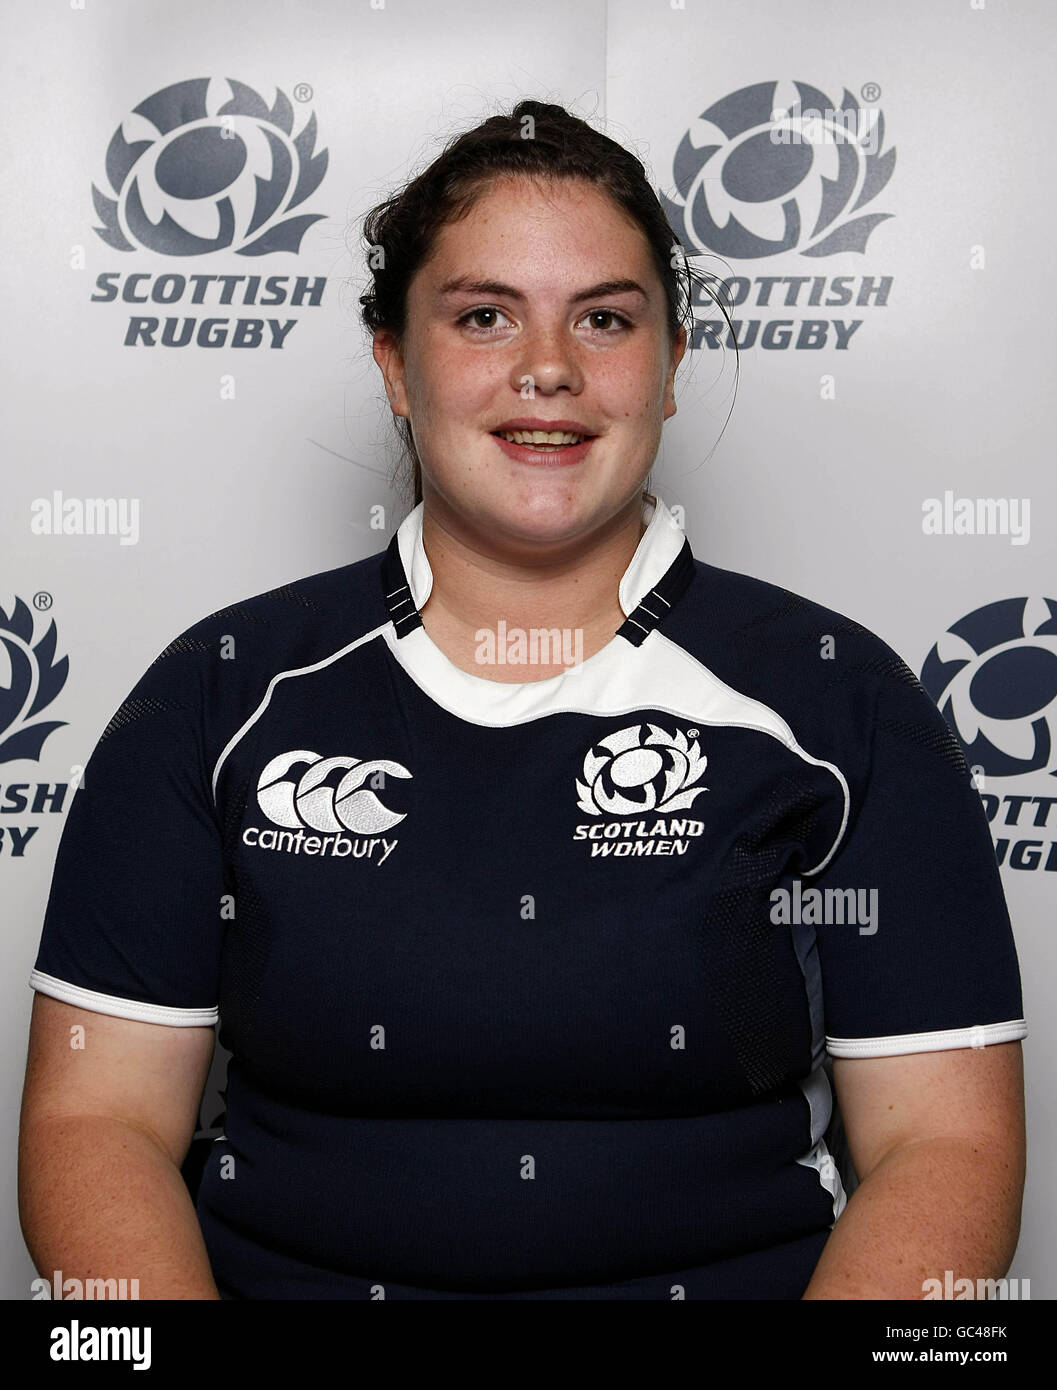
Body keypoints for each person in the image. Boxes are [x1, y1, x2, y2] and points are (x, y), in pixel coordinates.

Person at [19, 99, 1026, 1301]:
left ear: (668, 368)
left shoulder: (840, 703)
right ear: (394, 362)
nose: (547, 368)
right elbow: (97, 1123)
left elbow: (947, 1150)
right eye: (484, 315)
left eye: (604, 319)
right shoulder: (219, 694)